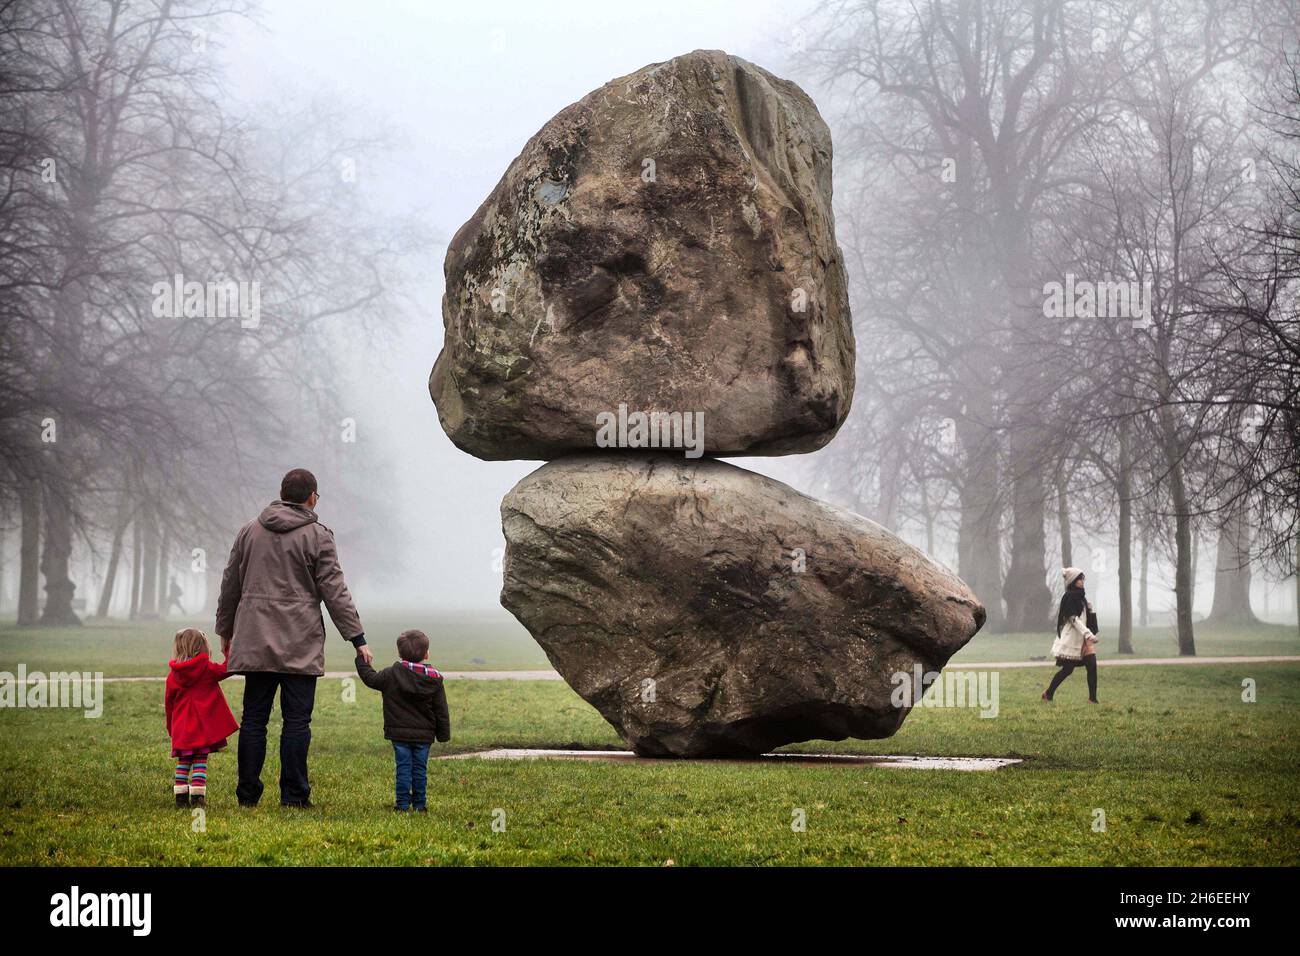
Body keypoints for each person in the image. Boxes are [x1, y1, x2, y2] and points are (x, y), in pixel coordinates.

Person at [215, 468, 371, 808]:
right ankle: (294, 796)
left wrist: (225, 630)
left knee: (254, 719)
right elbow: (335, 590)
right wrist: (357, 637)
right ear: (311, 496)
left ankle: (247, 796)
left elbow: (230, 585)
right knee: (297, 722)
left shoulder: (249, 531)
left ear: (283, 493)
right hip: (300, 642)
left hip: (255, 638)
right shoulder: (318, 536)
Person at [354, 629, 452, 812]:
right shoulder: (435, 679)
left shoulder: (391, 674)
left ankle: (402, 805)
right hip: (424, 736)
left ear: (399, 653)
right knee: (419, 770)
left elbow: (370, 678)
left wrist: (361, 660)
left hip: (399, 734)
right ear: (426, 653)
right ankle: (420, 805)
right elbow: (441, 710)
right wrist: (443, 735)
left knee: (403, 769)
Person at [165, 627, 239, 808]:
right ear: (203, 647)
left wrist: (170, 727)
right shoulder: (207, 669)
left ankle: (180, 796)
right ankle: (198, 797)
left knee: (183, 762)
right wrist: (228, 649)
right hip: (202, 728)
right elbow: (228, 669)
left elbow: (169, 704)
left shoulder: (173, 675)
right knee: (199, 761)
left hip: (182, 728)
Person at [1042, 566, 1099, 703]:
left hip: (1085, 640)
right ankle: (1048, 693)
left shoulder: (1082, 598)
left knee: (1092, 665)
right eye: (1080, 578)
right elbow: (1074, 620)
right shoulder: (1069, 597)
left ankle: (1092, 699)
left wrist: (1090, 610)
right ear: (1073, 580)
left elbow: (1086, 620)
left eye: (1082, 578)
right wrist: (1088, 634)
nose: (1082, 581)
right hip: (1073, 640)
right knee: (1067, 670)